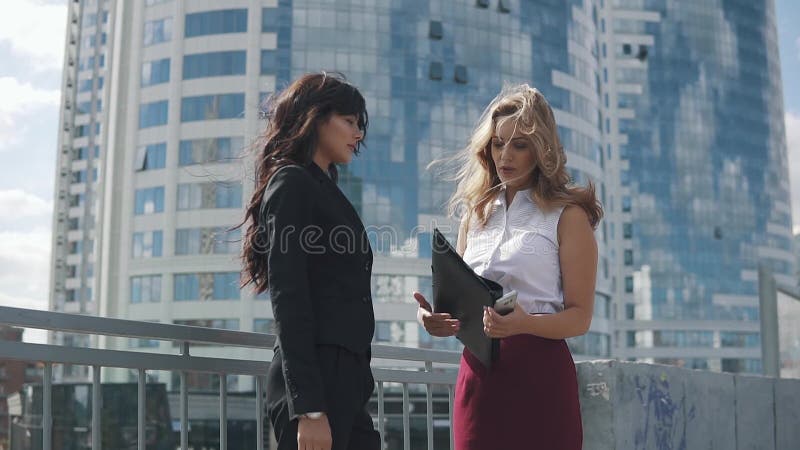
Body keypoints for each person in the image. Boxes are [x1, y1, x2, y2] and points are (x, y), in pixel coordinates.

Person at [414, 84, 602, 450]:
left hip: (540, 378)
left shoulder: (568, 216)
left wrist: (524, 323)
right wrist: (434, 320)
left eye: (519, 144)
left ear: (541, 149)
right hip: (478, 377)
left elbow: (580, 318)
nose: (505, 155)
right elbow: (461, 304)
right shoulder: (476, 215)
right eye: (498, 144)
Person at [240, 72, 380, 450]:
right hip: (316, 386)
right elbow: (290, 297)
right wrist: (311, 409)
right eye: (349, 121)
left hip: (345, 382)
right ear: (316, 118)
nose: (358, 133)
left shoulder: (325, 190)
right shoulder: (292, 183)